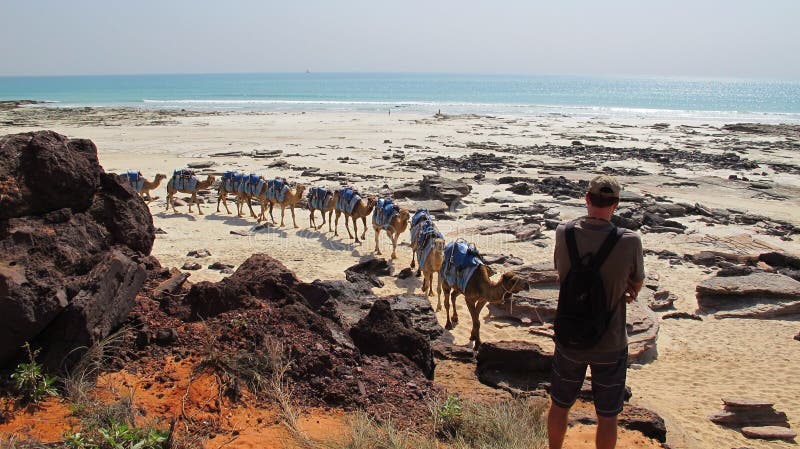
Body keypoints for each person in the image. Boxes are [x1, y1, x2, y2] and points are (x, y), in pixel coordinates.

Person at [548, 175, 645, 449]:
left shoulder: (563, 233)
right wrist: (623, 289)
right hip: (611, 342)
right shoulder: (630, 241)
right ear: (616, 204)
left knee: (559, 405)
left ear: (587, 198)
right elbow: (636, 282)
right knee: (607, 416)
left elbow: (560, 270)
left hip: (569, 337)